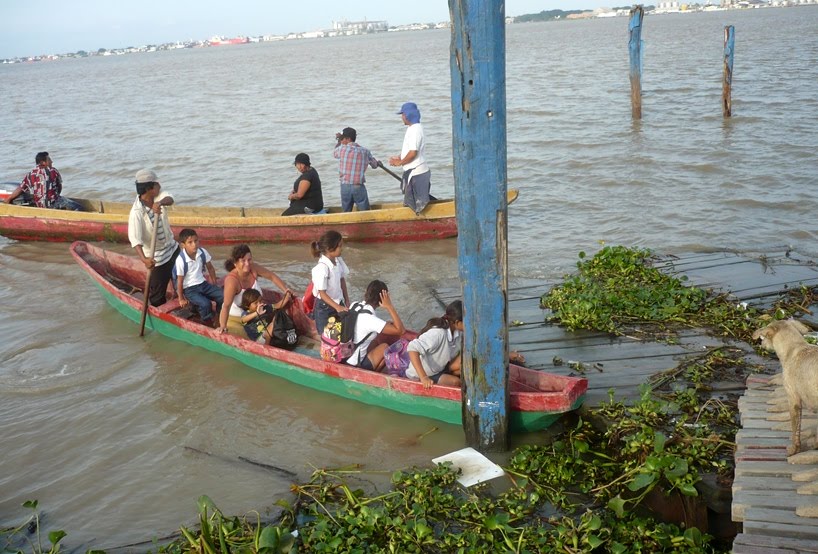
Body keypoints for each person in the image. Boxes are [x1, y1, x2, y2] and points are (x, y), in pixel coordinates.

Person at [128, 169, 179, 307]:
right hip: (157, 257)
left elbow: (171, 198)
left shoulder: (159, 197)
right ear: (149, 188)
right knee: (157, 296)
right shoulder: (137, 212)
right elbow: (135, 240)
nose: (160, 186)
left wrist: (160, 203)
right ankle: (161, 315)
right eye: (157, 184)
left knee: (184, 278)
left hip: (173, 248)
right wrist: (145, 260)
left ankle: (182, 296)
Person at [218, 244, 293, 337]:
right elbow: (226, 306)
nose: (247, 263)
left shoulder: (253, 268)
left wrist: (286, 290)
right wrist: (223, 326)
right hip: (237, 320)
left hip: (257, 316)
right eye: (243, 261)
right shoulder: (232, 281)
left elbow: (272, 276)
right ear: (235, 263)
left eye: (249, 260)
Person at [346, 280, 406, 371]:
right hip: (355, 363)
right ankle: (372, 374)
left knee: (375, 342)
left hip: (345, 354)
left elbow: (363, 326)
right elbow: (401, 330)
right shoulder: (371, 320)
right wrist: (389, 306)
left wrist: (385, 324)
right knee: (385, 347)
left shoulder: (354, 305)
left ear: (366, 292)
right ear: (382, 299)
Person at [406, 300, 464, 389]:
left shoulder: (458, 332)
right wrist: (424, 377)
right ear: (457, 322)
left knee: (465, 367)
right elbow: (412, 348)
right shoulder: (438, 333)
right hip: (426, 374)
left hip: (440, 368)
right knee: (456, 382)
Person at [388, 102, 432, 215]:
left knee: (417, 204)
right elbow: (411, 150)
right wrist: (400, 157)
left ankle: (420, 220)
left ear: (408, 115)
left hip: (417, 172)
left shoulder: (415, 130)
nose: (402, 117)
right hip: (413, 171)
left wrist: (400, 162)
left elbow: (413, 153)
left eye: (402, 114)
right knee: (412, 202)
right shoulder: (412, 128)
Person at [174, 228, 224, 326]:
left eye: (196, 241)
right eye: (190, 242)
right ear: (183, 245)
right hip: (189, 289)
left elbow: (211, 268)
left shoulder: (202, 252)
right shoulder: (180, 260)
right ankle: (207, 321)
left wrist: (214, 284)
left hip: (203, 284)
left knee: (222, 296)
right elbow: (180, 281)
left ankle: (218, 317)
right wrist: (181, 299)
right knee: (206, 304)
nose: (194, 244)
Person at [5, 152, 83, 210]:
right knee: (79, 208)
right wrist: (55, 197)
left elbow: (20, 189)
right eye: (49, 160)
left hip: (40, 205)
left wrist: (9, 199)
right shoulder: (53, 171)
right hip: (53, 204)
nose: (52, 162)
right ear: (43, 162)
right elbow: (59, 188)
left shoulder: (30, 174)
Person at [310, 230, 349, 335]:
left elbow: (342, 280)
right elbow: (322, 294)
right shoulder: (322, 268)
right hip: (325, 307)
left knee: (337, 333)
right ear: (329, 248)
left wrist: (347, 300)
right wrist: (338, 307)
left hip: (338, 302)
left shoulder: (338, 261)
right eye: (339, 246)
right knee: (326, 335)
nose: (342, 249)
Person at [333, 127, 379, 212]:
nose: (342, 140)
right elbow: (374, 165)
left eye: (343, 138)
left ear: (348, 139)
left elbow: (335, 153)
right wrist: (378, 162)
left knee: (346, 211)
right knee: (365, 212)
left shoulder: (341, 149)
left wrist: (339, 141)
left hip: (345, 186)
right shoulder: (365, 151)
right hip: (358, 186)